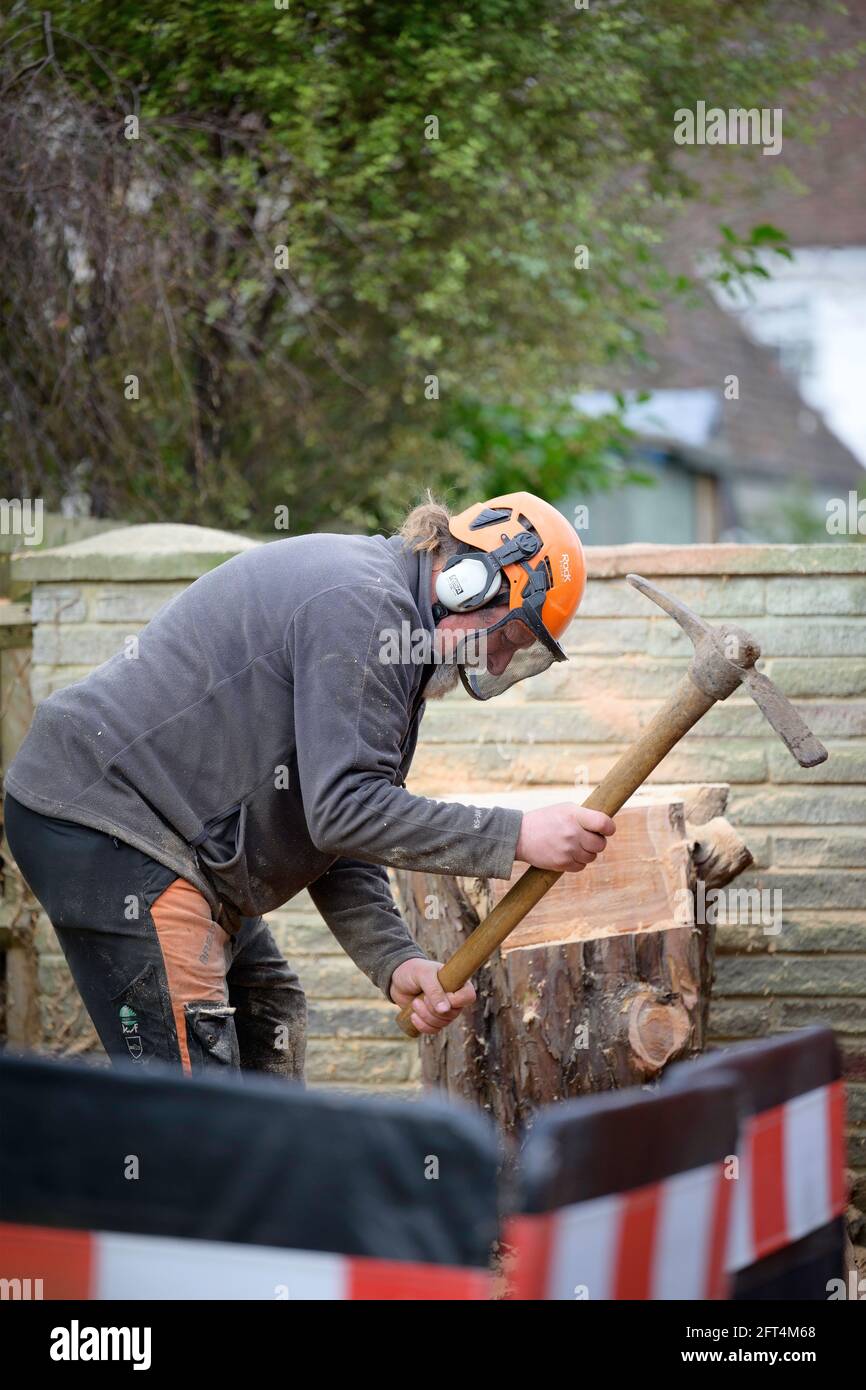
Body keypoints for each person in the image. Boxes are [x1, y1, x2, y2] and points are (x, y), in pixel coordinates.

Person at [4, 490, 615, 1076]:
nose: (501, 661)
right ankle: (182, 1177)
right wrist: (518, 835)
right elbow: (347, 812)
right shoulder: (366, 605)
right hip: (108, 820)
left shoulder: (395, 630)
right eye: (508, 635)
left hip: (156, 834)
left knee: (268, 1012)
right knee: (190, 1105)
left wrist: (396, 961)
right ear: (471, 581)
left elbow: (343, 833)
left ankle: (269, 1181)